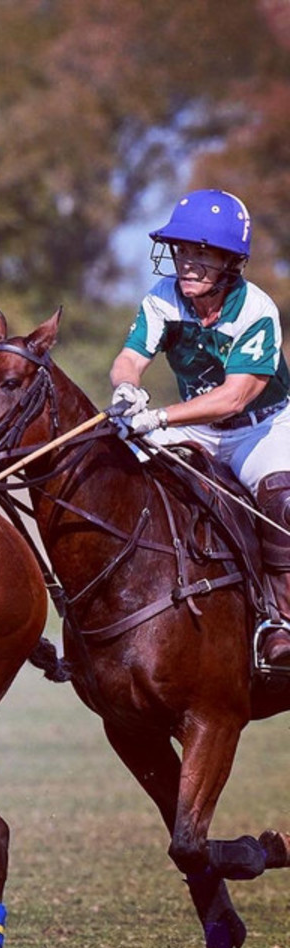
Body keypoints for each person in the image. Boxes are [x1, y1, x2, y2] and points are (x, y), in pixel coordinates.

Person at [108, 188, 290, 668]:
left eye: (201, 253)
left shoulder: (256, 311)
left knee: (282, 502)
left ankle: (281, 621)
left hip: (263, 428)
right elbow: (129, 358)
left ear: (231, 261)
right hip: (199, 427)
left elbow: (234, 396)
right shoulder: (162, 298)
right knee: (123, 469)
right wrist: (127, 389)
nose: (186, 263)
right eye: (182, 250)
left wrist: (160, 417)